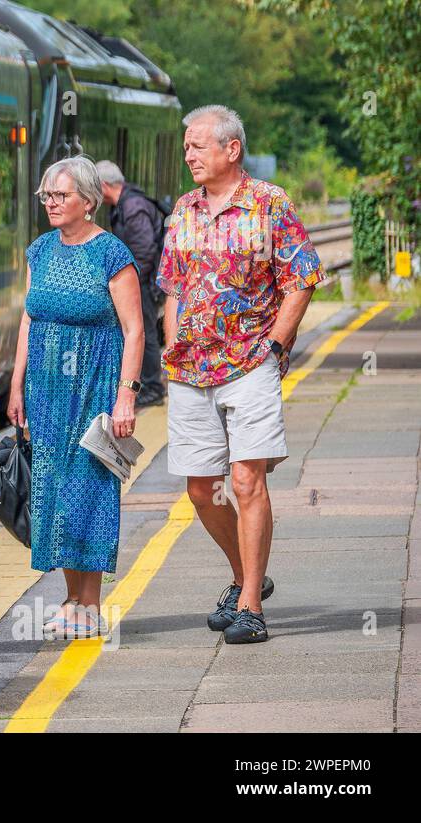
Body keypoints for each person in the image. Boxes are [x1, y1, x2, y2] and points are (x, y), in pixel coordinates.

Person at [158, 105, 323, 644]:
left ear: (232, 149)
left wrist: (276, 343)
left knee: (247, 480)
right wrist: (170, 343)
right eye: (186, 146)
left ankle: (251, 604)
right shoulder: (183, 210)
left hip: (250, 361)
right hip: (191, 368)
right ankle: (244, 574)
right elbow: (174, 287)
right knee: (202, 489)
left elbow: (303, 277)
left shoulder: (270, 204)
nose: (189, 155)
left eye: (198, 145)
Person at [7, 156, 144, 638]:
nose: (51, 202)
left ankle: (91, 604)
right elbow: (29, 318)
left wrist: (126, 396)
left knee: (87, 490)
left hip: (93, 387)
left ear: (88, 201)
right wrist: (17, 384)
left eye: (60, 195)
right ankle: (70, 599)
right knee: (52, 491)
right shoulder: (39, 250)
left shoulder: (111, 253)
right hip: (46, 391)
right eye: (46, 194)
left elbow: (134, 330)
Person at [96, 159, 166, 407]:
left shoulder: (133, 206)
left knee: (143, 333)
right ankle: (147, 384)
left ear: (104, 185)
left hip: (143, 283)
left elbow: (144, 250)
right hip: (140, 281)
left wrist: (131, 283)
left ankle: (153, 387)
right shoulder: (125, 204)